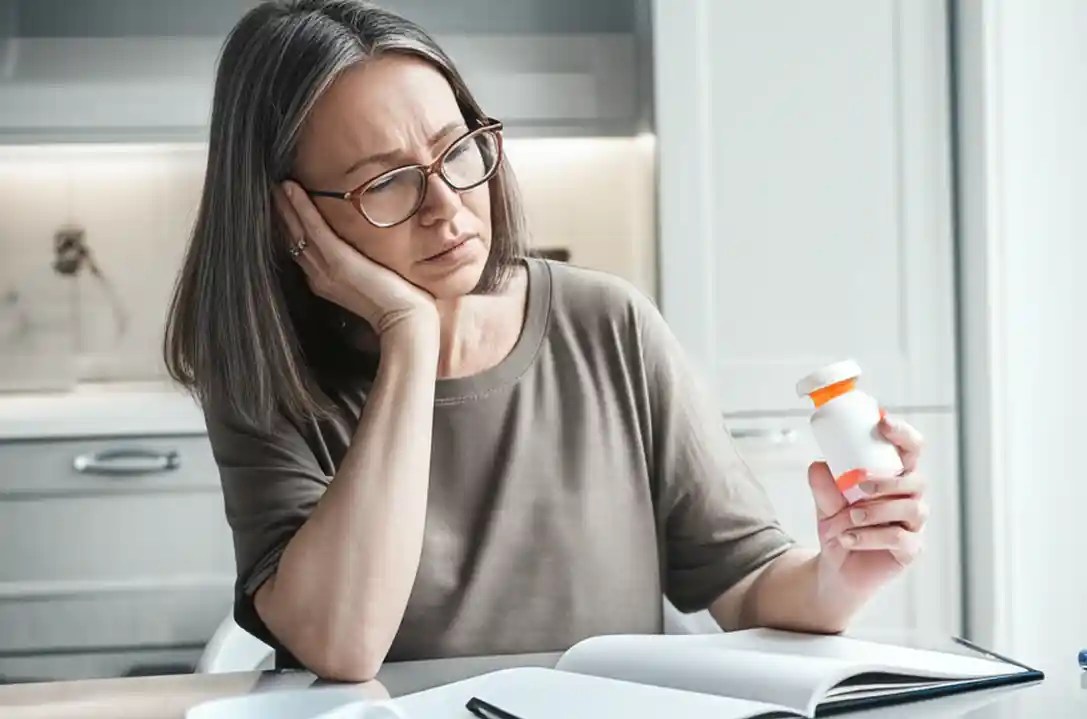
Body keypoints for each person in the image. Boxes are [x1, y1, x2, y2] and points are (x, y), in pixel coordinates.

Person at [164, 0, 928, 682]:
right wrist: (409, 336)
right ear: (289, 218)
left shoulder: (609, 326)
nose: (447, 206)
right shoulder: (266, 378)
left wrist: (842, 575)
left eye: (456, 149)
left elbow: (750, 583)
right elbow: (341, 645)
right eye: (385, 182)